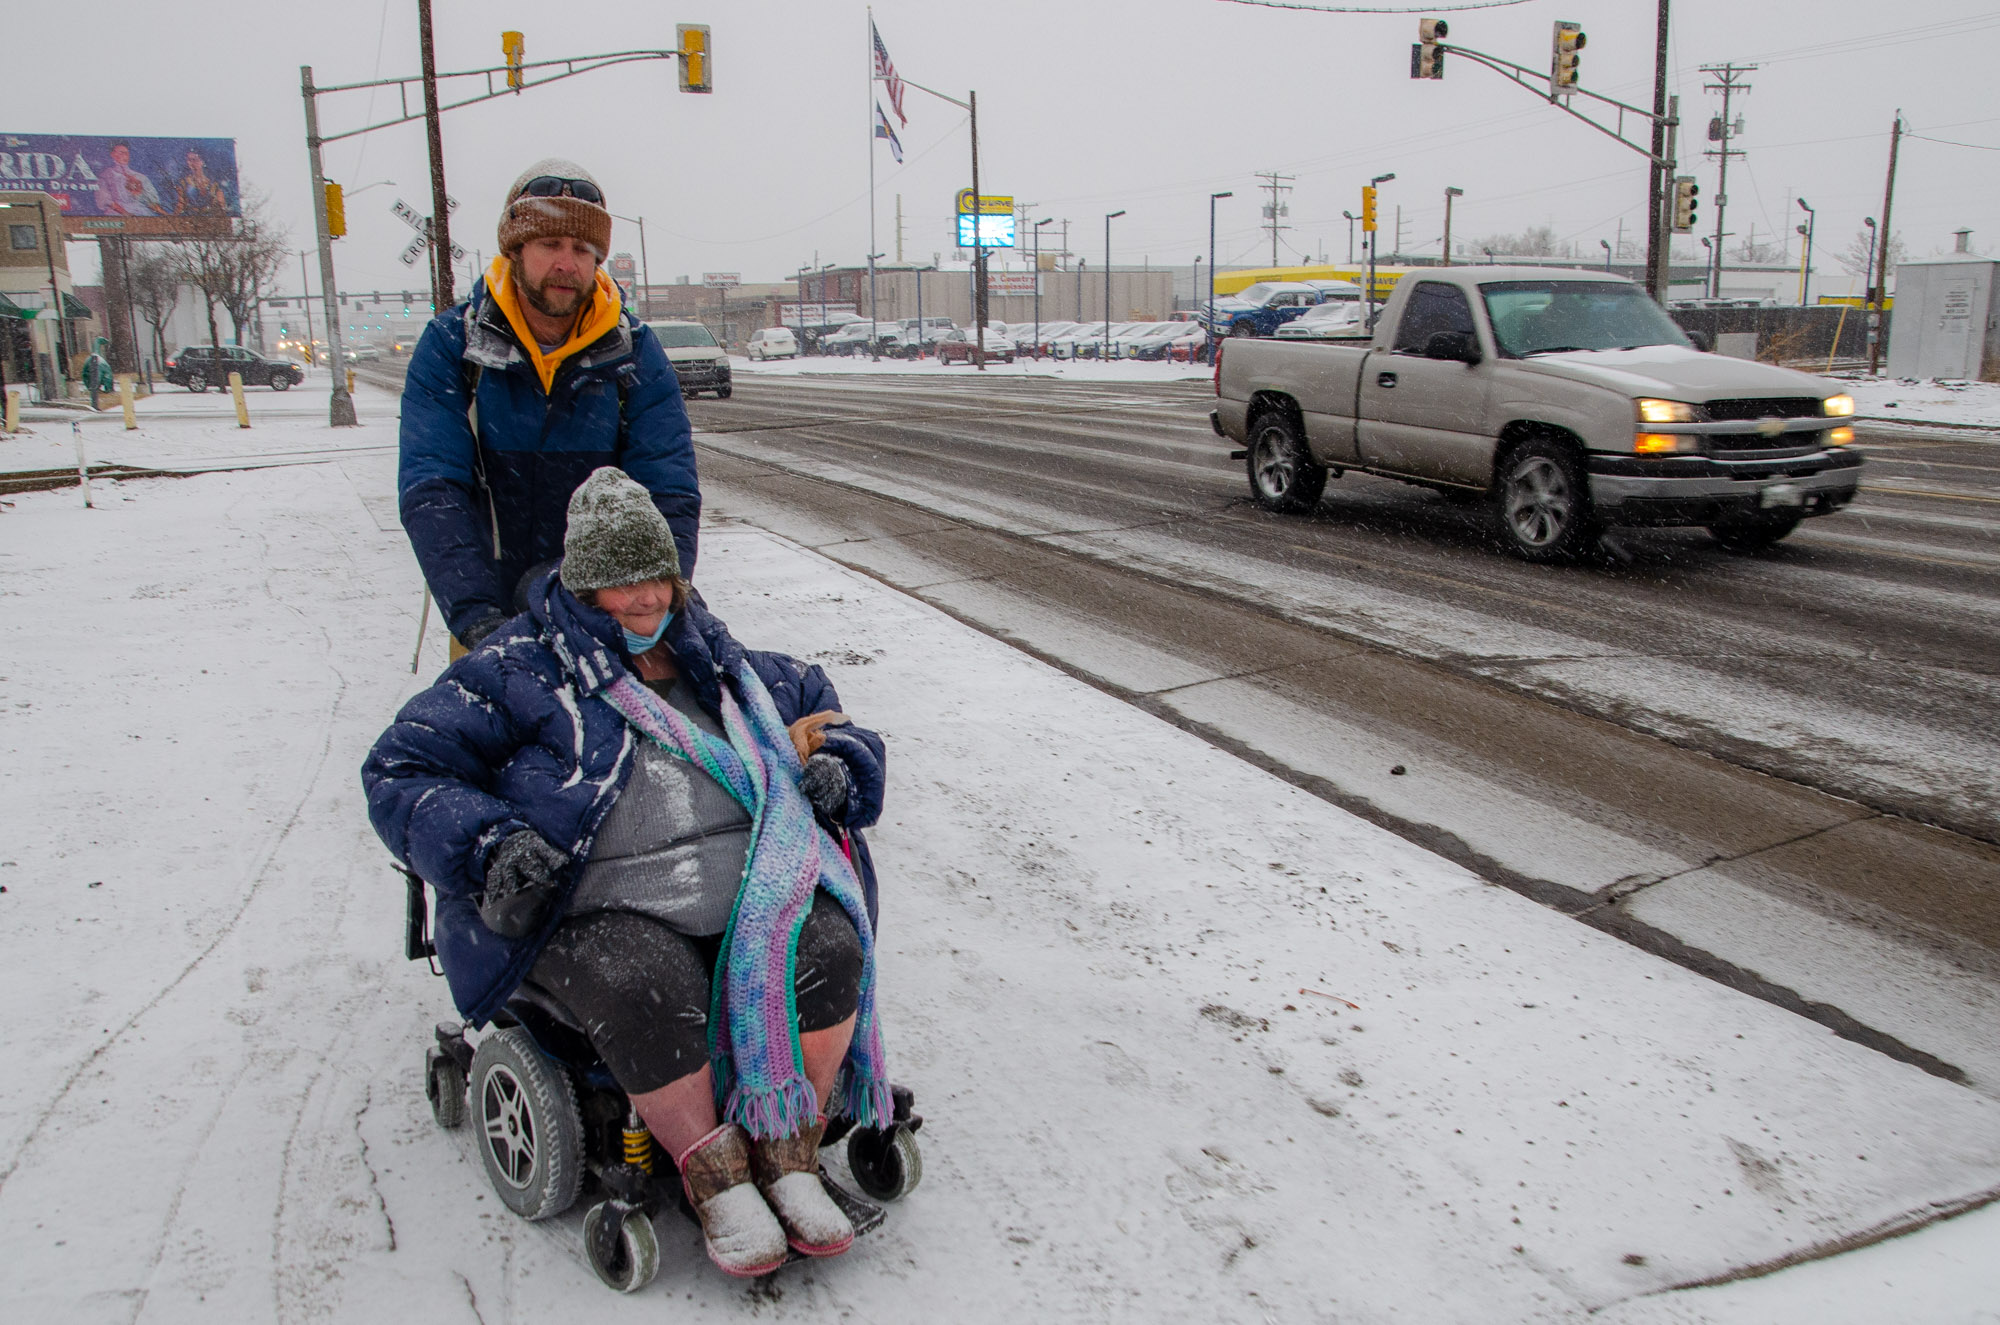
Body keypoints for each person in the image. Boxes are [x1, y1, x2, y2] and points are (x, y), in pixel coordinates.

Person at [363, 468, 891, 1277]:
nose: (644, 600)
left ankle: (789, 1147)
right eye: (618, 585)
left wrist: (843, 768)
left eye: (656, 580)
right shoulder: (519, 669)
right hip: (593, 903)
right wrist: (491, 846)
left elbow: (829, 712)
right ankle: (714, 1179)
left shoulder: (721, 662)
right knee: (649, 983)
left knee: (829, 948)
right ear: (581, 586)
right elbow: (400, 767)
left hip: (742, 891)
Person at [399, 158, 699, 654]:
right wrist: (477, 619)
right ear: (515, 249)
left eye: (583, 248)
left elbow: (669, 488)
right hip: (491, 602)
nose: (567, 263)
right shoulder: (453, 346)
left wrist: (655, 604)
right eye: (550, 244)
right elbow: (434, 489)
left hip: (607, 610)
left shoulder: (635, 353)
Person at [93, 142, 164, 217]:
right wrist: (127, 215)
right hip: (117, 217)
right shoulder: (105, 176)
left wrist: (139, 193)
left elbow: (152, 202)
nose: (124, 156)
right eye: (121, 153)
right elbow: (105, 200)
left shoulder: (141, 177)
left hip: (143, 216)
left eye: (126, 153)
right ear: (112, 155)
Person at [170, 149, 231, 216]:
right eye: (189, 160)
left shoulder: (214, 184)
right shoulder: (183, 183)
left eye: (195, 159)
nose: (191, 163)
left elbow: (221, 205)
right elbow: (180, 204)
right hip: (190, 218)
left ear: (202, 162)